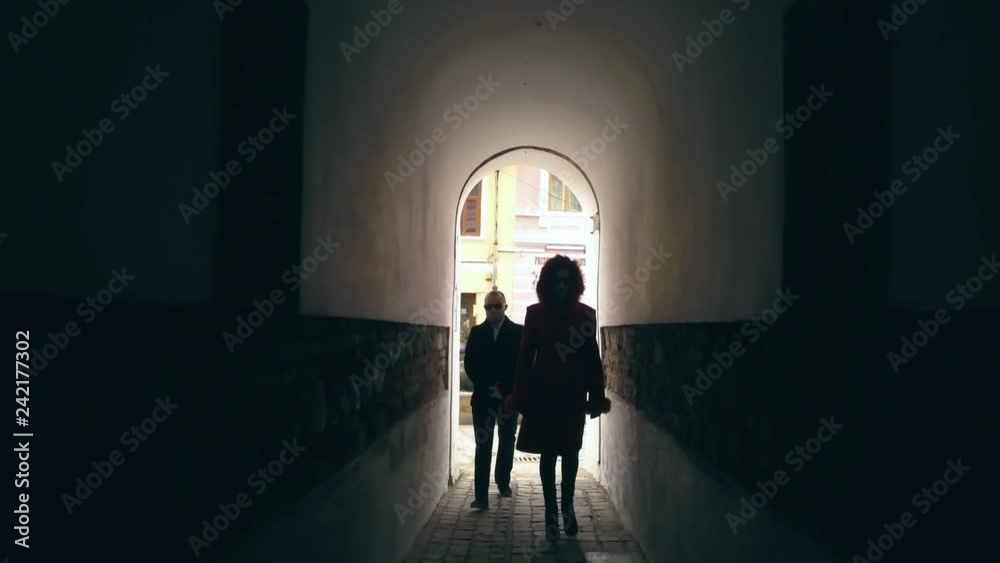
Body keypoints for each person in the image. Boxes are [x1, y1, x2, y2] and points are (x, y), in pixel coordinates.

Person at [505, 255, 611, 540]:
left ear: (574, 284)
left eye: (567, 281)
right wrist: (520, 393)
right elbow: (525, 358)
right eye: (557, 281)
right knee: (549, 454)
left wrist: (597, 396)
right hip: (543, 394)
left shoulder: (585, 315)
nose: (562, 286)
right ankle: (551, 512)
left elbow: (592, 360)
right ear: (549, 284)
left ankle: (568, 508)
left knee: (571, 452)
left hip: (573, 395)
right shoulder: (535, 314)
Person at [462, 290, 523, 510]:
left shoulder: (518, 332)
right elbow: (470, 364)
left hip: (508, 398)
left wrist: (505, 390)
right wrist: (490, 387)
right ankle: (480, 497)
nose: (493, 310)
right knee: (482, 445)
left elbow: (521, 365)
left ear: (505, 307)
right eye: (489, 307)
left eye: (497, 306)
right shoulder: (477, 333)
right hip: (484, 399)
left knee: (507, 440)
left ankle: (503, 482)